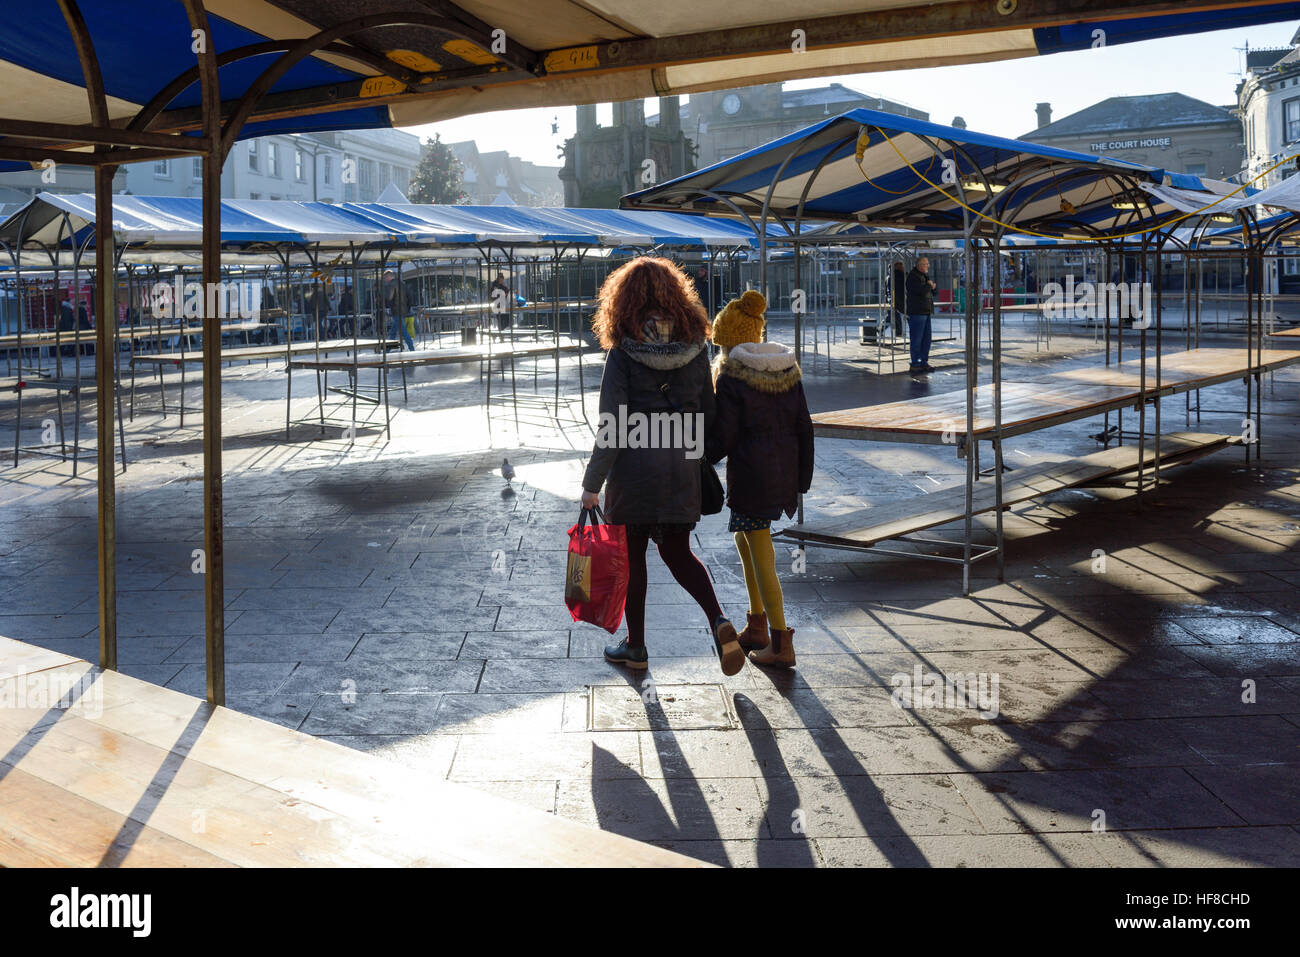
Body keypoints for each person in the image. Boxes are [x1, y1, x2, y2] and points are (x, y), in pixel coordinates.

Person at [580, 256, 743, 676]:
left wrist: (591, 483)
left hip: (633, 473)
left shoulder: (623, 353)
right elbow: (708, 414)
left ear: (624, 301)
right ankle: (719, 621)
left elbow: (612, 425)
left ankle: (636, 648)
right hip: (680, 468)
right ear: (677, 295)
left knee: (633, 559)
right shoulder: (695, 348)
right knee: (678, 551)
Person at [706, 291, 814, 668]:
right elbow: (805, 426)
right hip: (780, 476)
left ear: (731, 344)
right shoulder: (786, 369)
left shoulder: (733, 377)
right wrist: (801, 481)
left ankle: (782, 642)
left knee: (760, 548)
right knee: (743, 536)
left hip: (753, 477)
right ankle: (756, 625)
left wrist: (699, 458)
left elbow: (726, 435)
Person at [905, 256, 936, 375]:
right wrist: (929, 286)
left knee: (926, 339)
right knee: (917, 339)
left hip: (926, 311)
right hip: (917, 312)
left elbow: (930, 291)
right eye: (925, 264)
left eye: (928, 263)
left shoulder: (924, 276)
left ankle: (924, 361)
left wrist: (932, 288)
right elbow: (920, 291)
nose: (928, 265)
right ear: (919, 265)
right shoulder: (913, 277)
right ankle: (915, 363)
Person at [383, 269, 414, 351]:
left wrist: (384, 297)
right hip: (403, 310)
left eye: (385, 278)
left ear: (389, 276)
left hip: (396, 310)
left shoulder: (391, 285)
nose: (385, 280)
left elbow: (389, 297)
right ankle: (387, 350)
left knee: (403, 331)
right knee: (393, 332)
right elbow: (410, 296)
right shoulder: (402, 284)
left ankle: (412, 349)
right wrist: (408, 308)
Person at [889, 261, 907, 338]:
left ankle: (880, 329)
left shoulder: (890, 276)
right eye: (902, 267)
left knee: (892, 316)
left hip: (892, 300)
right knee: (907, 316)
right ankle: (899, 333)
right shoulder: (902, 276)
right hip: (900, 300)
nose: (903, 268)